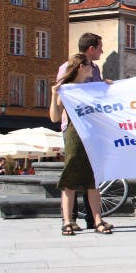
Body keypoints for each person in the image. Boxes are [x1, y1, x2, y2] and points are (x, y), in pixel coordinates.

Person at [49, 54, 113, 236]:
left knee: (93, 179)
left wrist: (108, 87)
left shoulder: (92, 87)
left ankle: (98, 220)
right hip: (74, 134)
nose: (92, 68)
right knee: (70, 177)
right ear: (80, 67)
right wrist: (54, 95)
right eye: (88, 66)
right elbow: (54, 117)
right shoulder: (67, 89)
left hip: (92, 134)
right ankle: (67, 221)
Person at [57, 32, 105, 230]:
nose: (102, 51)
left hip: (91, 126)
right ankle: (70, 218)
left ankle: (93, 219)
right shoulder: (67, 68)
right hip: (72, 126)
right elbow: (62, 94)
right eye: (100, 48)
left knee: (90, 174)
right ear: (91, 49)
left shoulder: (95, 69)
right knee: (73, 172)